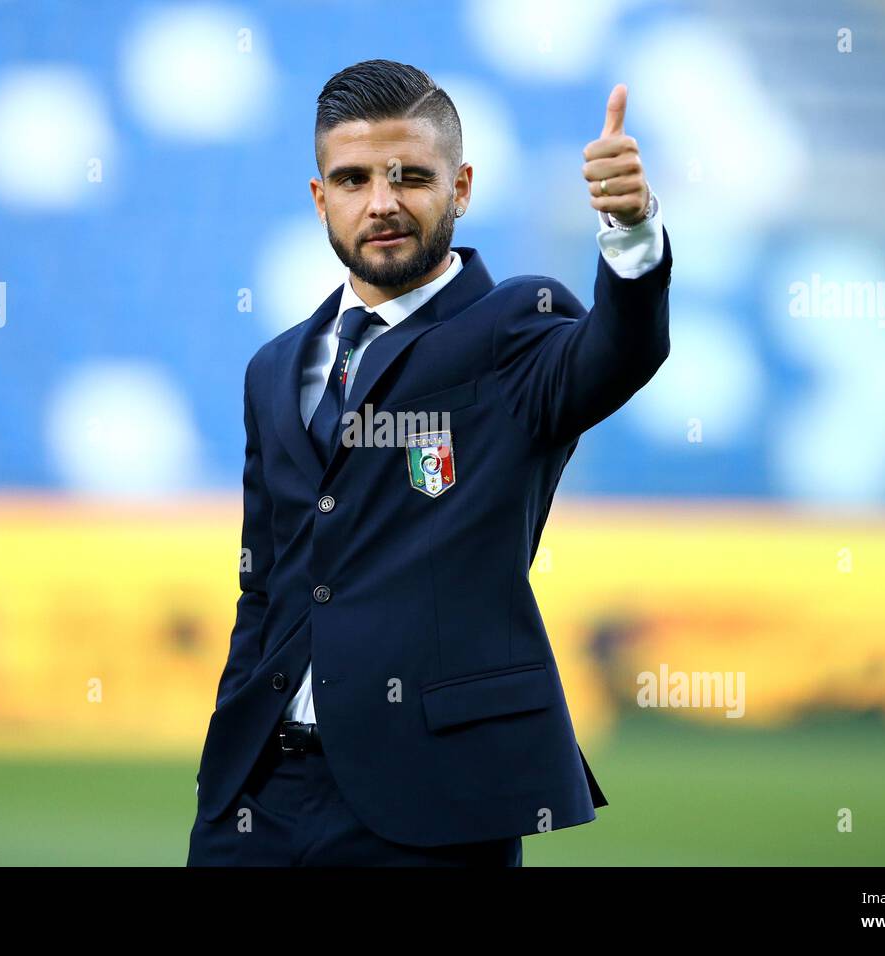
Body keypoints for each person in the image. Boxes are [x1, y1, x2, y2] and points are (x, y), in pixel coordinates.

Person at [187, 59, 670, 866]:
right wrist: (228, 770)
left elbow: (617, 354)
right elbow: (265, 584)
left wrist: (631, 231)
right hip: (260, 805)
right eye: (352, 179)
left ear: (462, 187)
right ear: (320, 199)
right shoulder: (274, 369)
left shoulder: (516, 326)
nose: (382, 202)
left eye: (411, 176)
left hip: (436, 806)